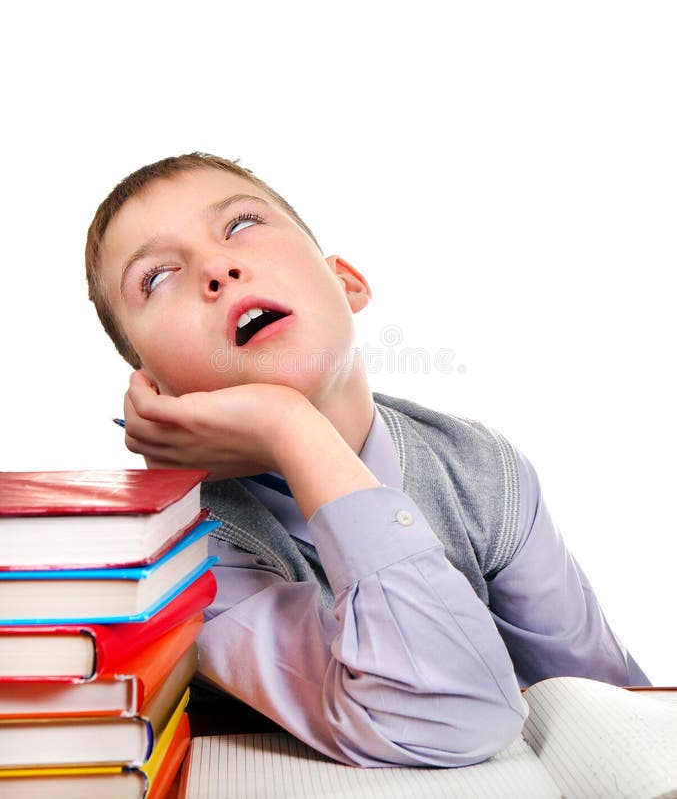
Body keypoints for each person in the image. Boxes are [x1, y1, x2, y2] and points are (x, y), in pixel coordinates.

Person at [85, 152, 649, 768]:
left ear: (346, 284)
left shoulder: (482, 473)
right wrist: (289, 428)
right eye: (158, 277)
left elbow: (614, 718)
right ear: (157, 394)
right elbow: (439, 719)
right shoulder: (181, 550)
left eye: (242, 225)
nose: (216, 268)